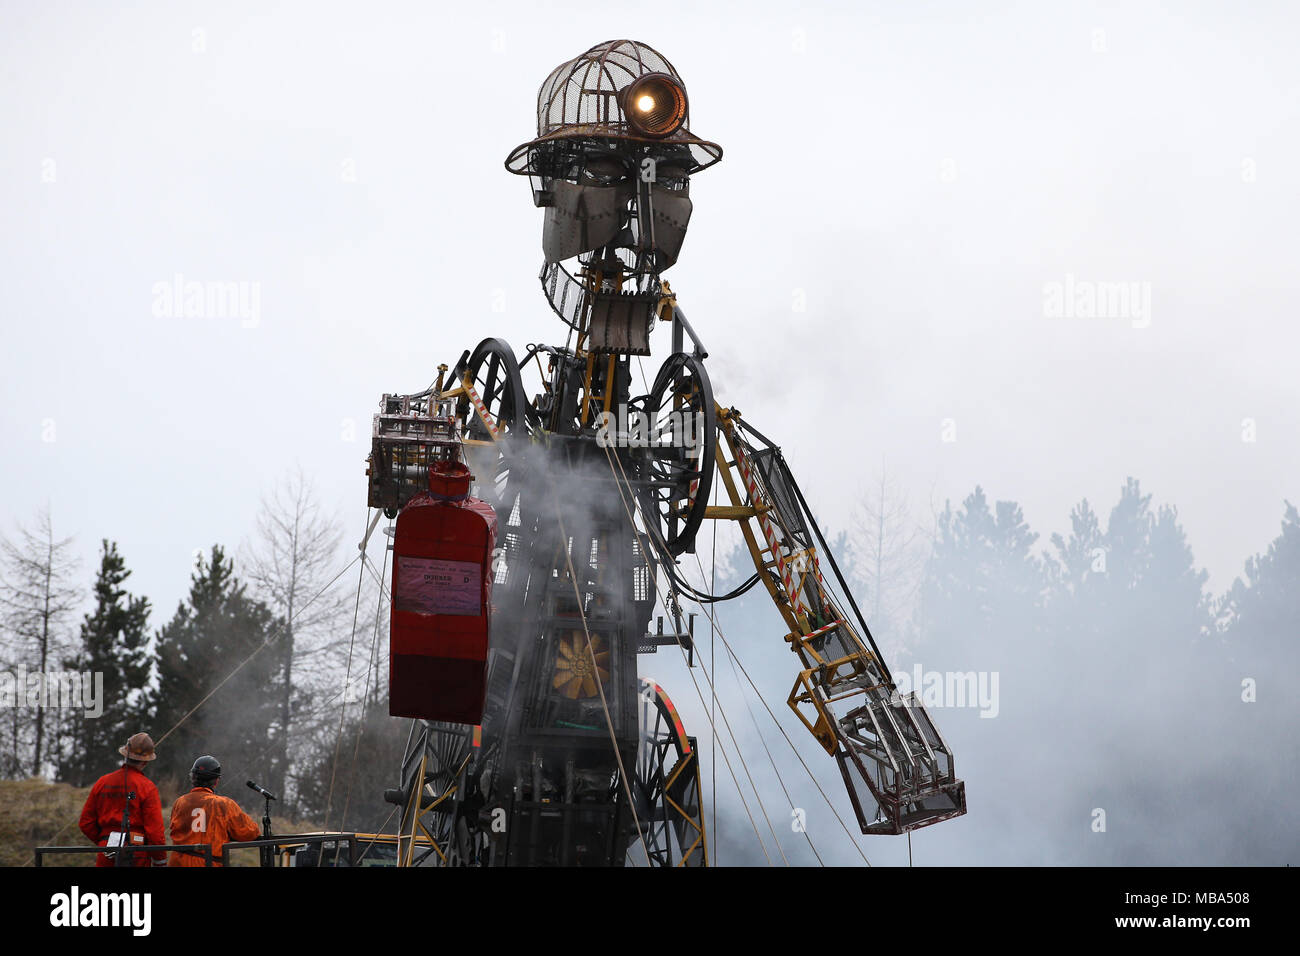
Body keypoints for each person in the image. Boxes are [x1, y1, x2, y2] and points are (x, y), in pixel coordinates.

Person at [78, 732, 167, 867]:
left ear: (125, 755)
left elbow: (85, 823)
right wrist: (160, 861)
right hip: (136, 854)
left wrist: (106, 842)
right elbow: (155, 832)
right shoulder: (147, 787)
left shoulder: (102, 782)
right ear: (145, 761)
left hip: (106, 853)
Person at [168, 755, 261, 867]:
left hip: (178, 862)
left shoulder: (180, 802)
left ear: (193, 777)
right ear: (216, 781)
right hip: (207, 863)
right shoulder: (224, 804)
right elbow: (249, 833)